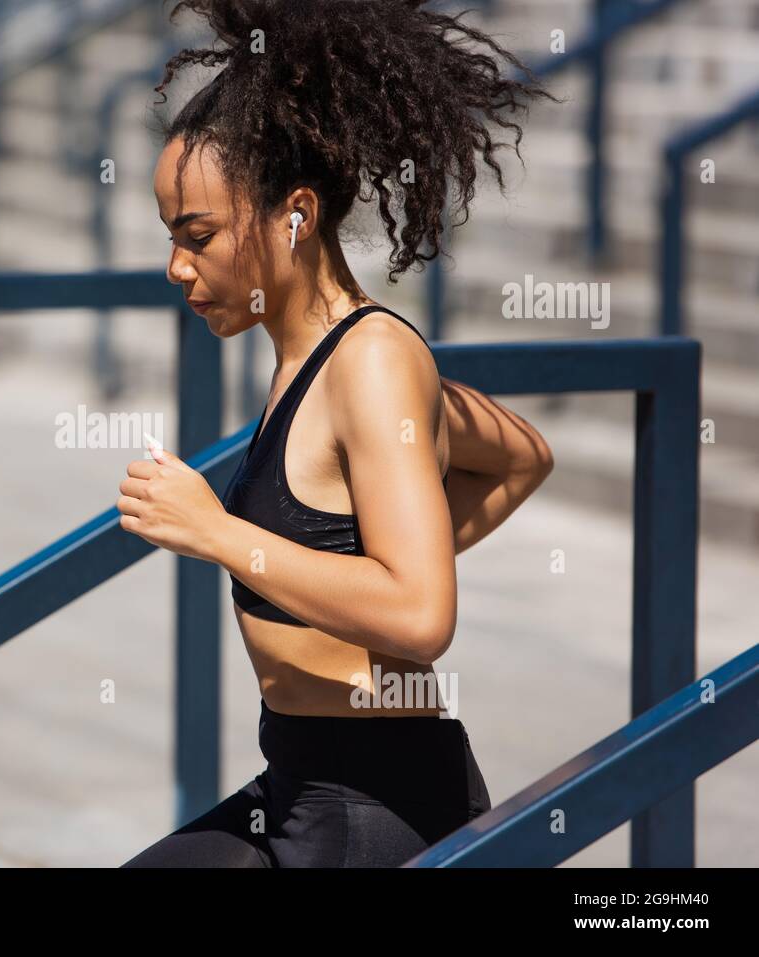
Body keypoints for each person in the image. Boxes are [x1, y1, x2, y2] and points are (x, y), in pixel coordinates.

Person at [116, 0, 558, 867]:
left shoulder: (373, 360)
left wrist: (221, 534)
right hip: (297, 778)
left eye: (197, 236)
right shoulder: (322, 359)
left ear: (296, 215)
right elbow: (520, 456)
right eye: (171, 238)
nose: (177, 267)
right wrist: (363, 564)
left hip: (373, 805)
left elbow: (421, 617)